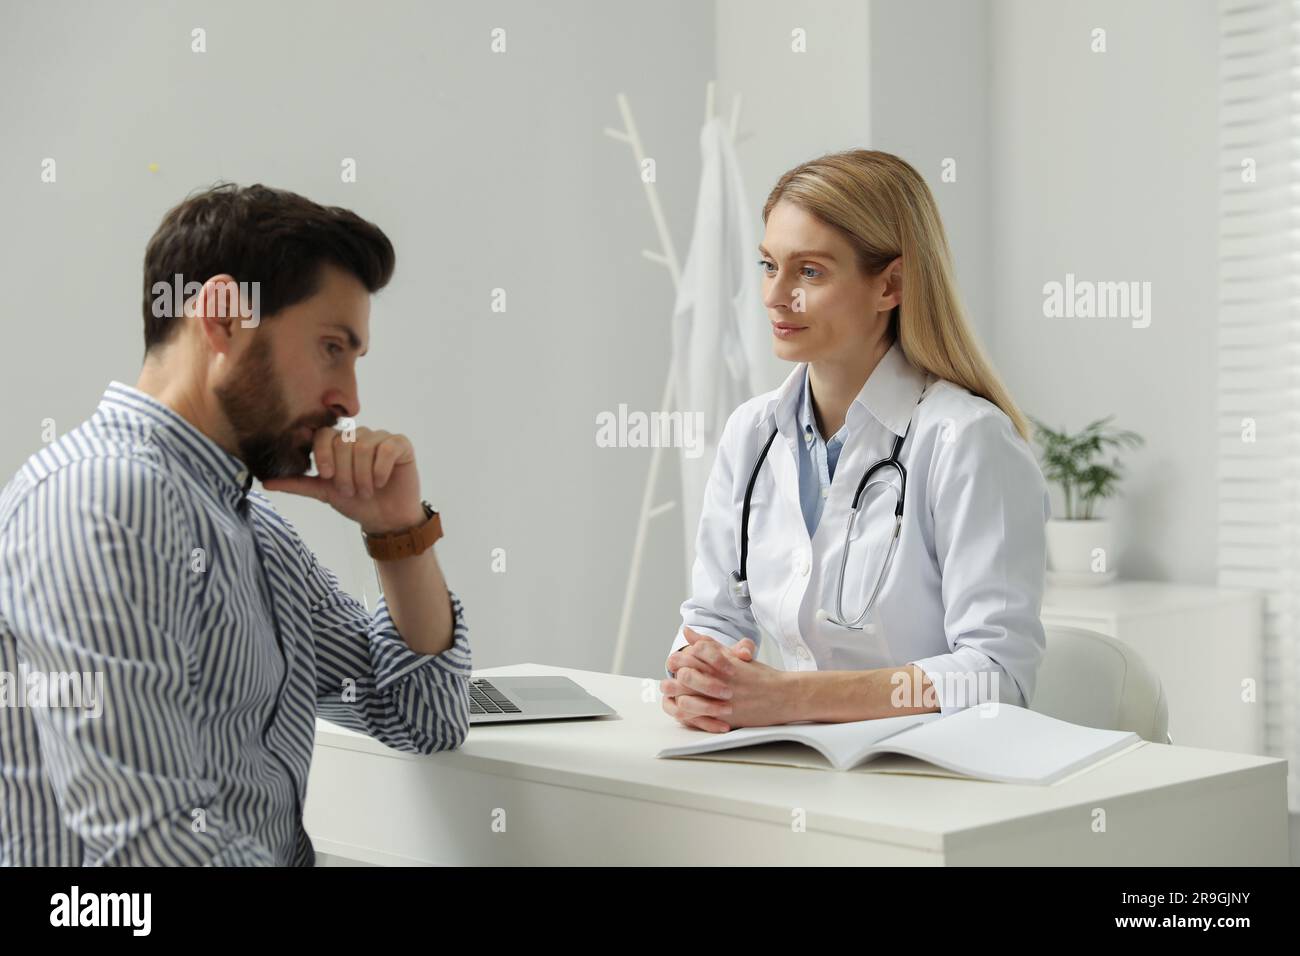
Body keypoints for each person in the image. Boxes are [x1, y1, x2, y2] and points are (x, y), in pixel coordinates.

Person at [0, 183, 470, 865]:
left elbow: (424, 717)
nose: (350, 399)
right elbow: (145, 843)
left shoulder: (253, 526)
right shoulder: (101, 499)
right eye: (332, 347)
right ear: (222, 318)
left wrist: (399, 534)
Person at [661, 150, 1050, 733]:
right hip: (790, 762)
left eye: (809, 272)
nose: (774, 295)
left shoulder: (966, 441)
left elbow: (994, 673)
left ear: (889, 284)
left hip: (929, 778)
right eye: (768, 265)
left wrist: (790, 698)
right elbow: (713, 617)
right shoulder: (752, 434)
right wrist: (702, 672)